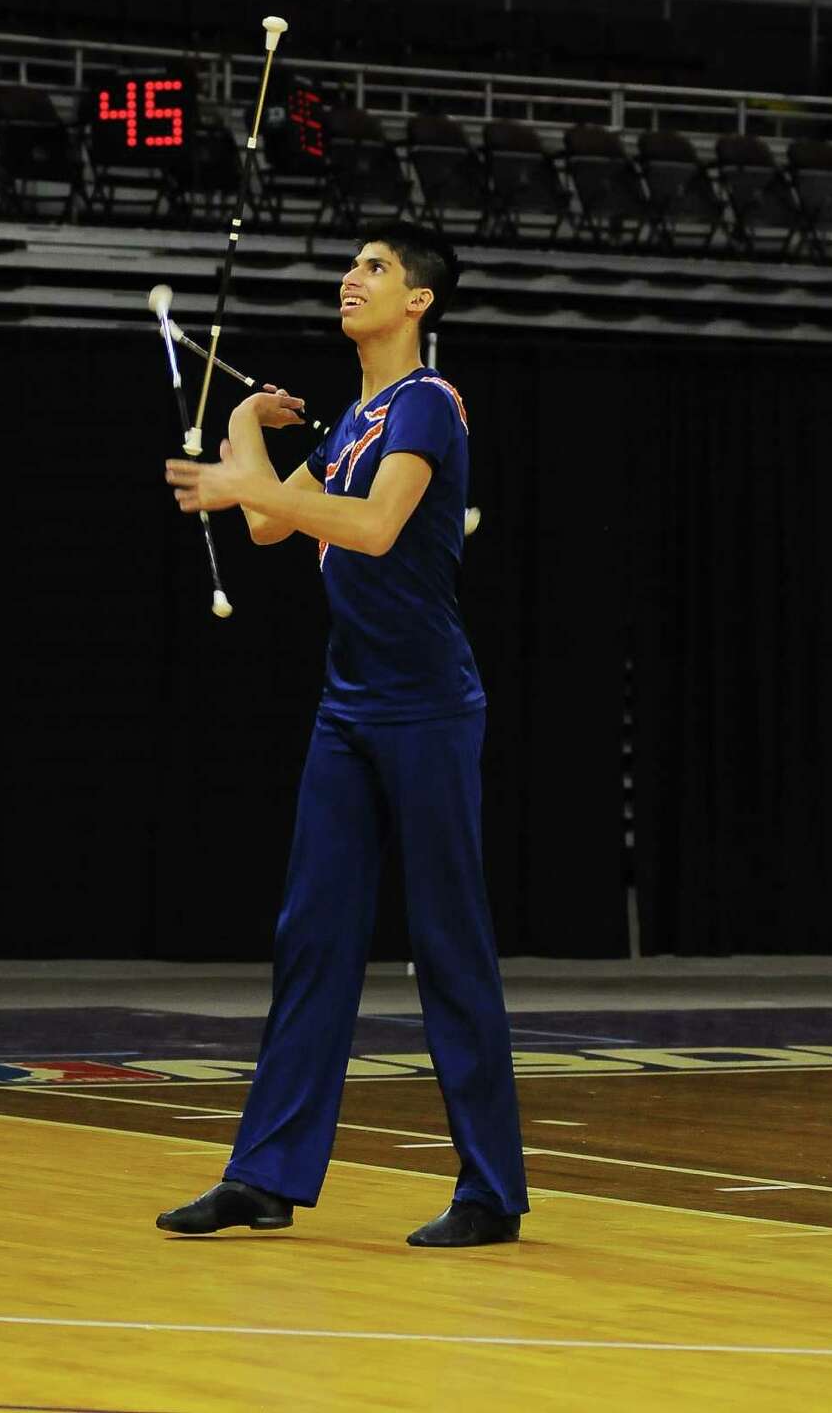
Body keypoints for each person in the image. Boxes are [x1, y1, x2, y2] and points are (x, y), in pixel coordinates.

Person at [159, 220, 528, 1248]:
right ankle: (265, 1175)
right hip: (348, 708)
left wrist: (248, 484)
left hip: (428, 708)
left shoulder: (427, 405)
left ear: (420, 300)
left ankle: (491, 1192)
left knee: (448, 945)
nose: (350, 278)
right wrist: (243, 424)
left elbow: (368, 528)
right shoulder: (357, 418)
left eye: (374, 267)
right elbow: (275, 525)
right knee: (311, 938)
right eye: (351, 264)